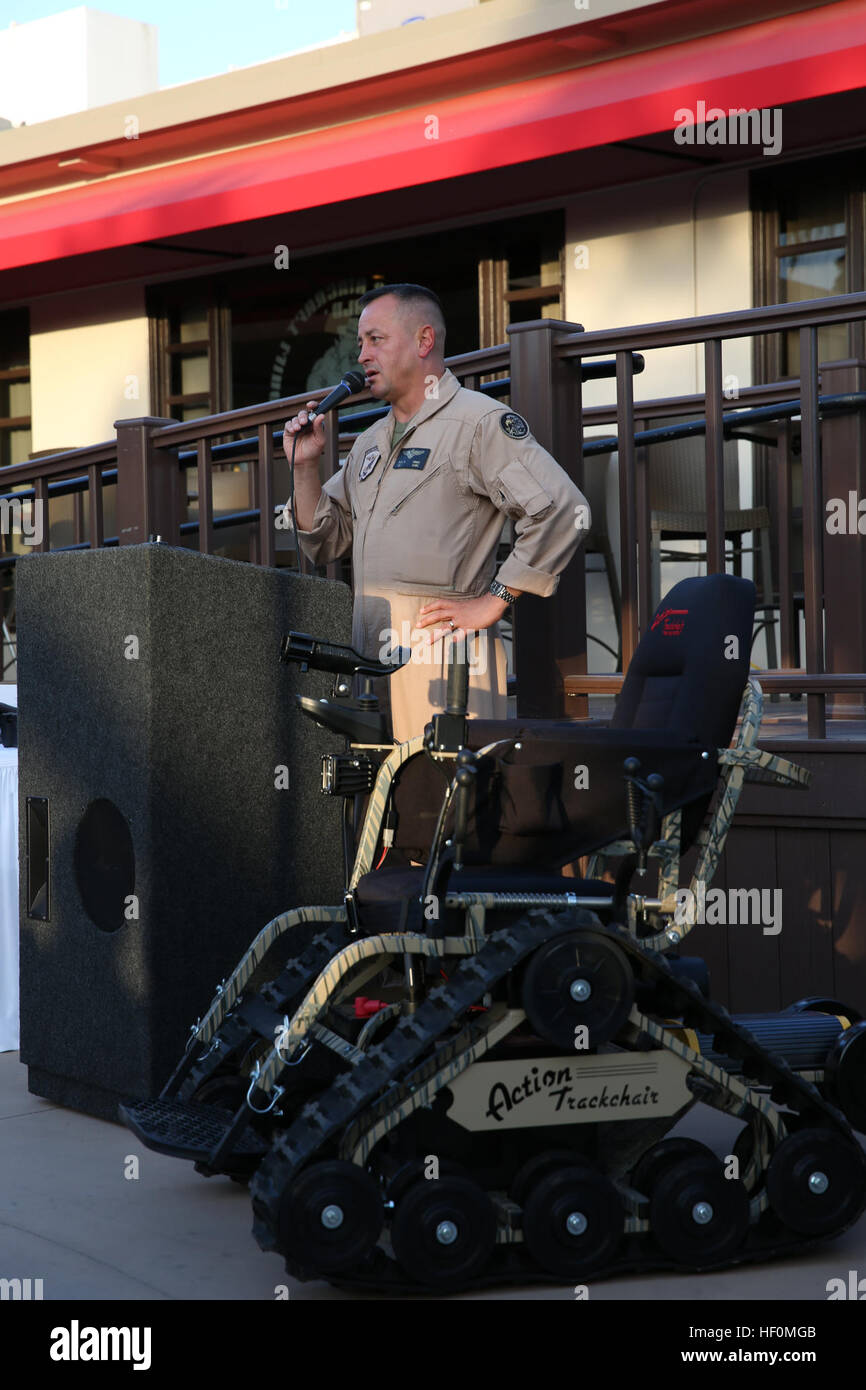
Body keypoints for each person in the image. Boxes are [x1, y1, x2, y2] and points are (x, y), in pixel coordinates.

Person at [282, 283, 590, 742]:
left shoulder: (478, 422)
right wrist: (305, 467)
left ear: (424, 341)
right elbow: (325, 539)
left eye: (376, 340)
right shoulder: (370, 440)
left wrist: (494, 602)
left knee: (446, 802)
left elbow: (564, 511)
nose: (362, 356)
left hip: (443, 654)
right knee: (384, 806)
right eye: (360, 343)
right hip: (370, 653)